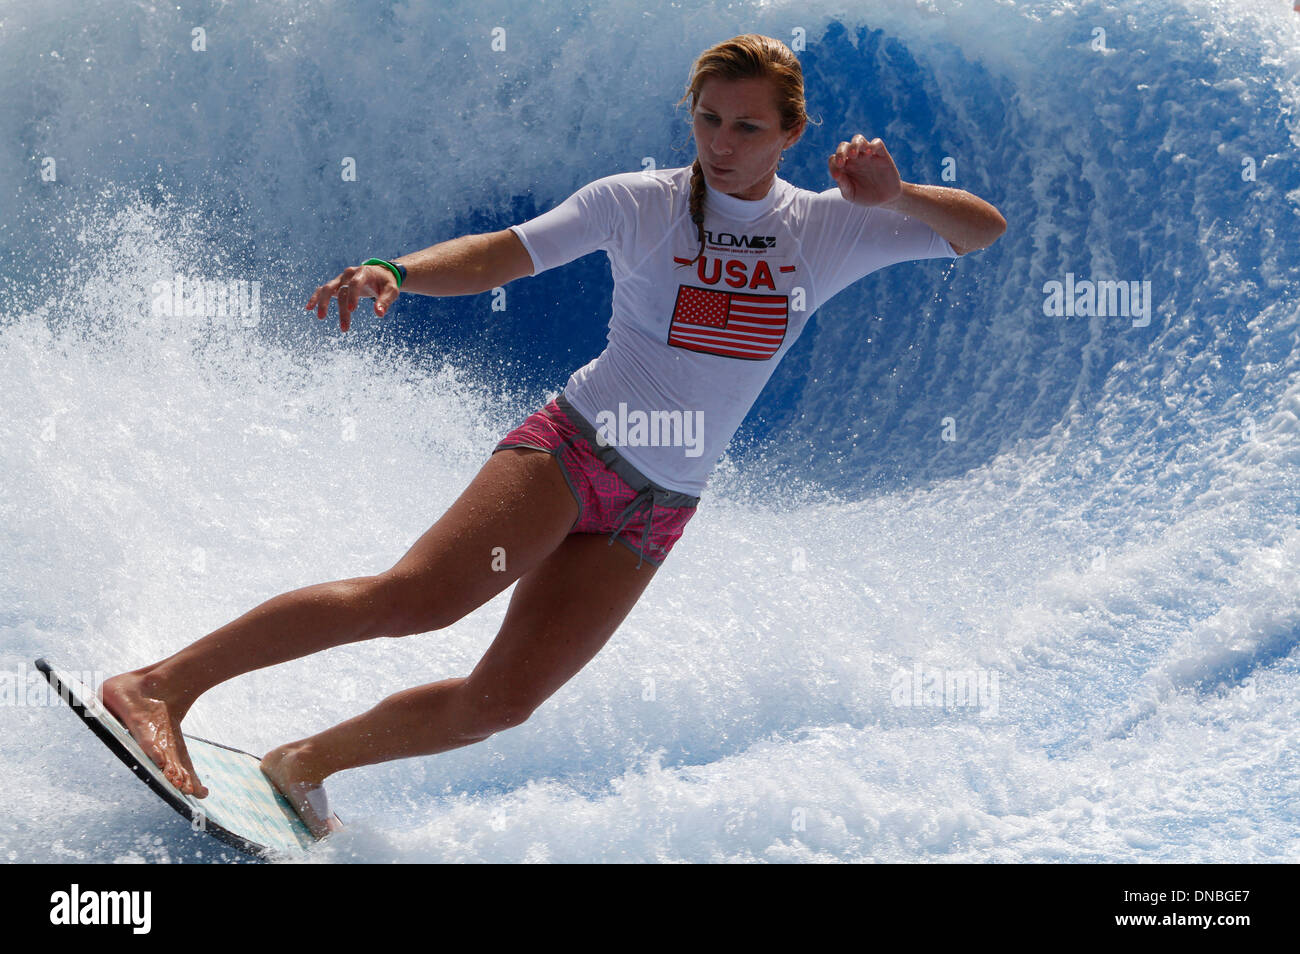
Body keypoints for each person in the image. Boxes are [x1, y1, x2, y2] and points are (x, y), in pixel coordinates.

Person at [100, 33, 1005, 836]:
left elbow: (982, 232)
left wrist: (899, 195)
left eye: (748, 129)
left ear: (791, 136)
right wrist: (394, 270)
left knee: (500, 703)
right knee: (417, 600)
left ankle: (301, 765)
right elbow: (503, 251)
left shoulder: (829, 229)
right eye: (708, 121)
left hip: (660, 505)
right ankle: (160, 685)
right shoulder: (639, 202)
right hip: (574, 449)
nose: (722, 145)